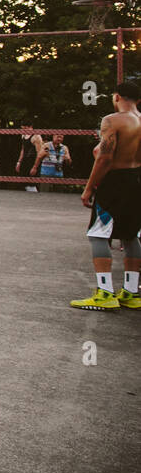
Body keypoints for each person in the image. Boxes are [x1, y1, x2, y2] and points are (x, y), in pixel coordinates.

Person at [73, 82, 141, 311]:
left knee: (98, 234)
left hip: (116, 181)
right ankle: (132, 292)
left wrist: (90, 188)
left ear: (117, 96)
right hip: (136, 179)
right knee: (132, 235)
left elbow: (104, 158)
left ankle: (105, 293)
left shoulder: (113, 120)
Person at [15, 125, 44, 192]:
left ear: (31, 127)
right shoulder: (23, 135)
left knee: (32, 183)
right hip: (25, 162)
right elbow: (23, 149)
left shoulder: (36, 136)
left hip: (33, 162)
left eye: (25, 128)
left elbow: (39, 154)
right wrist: (19, 162)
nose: (24, 130)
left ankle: (35, 199)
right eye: (22, 128)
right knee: (24, 183)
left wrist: (35, 167)